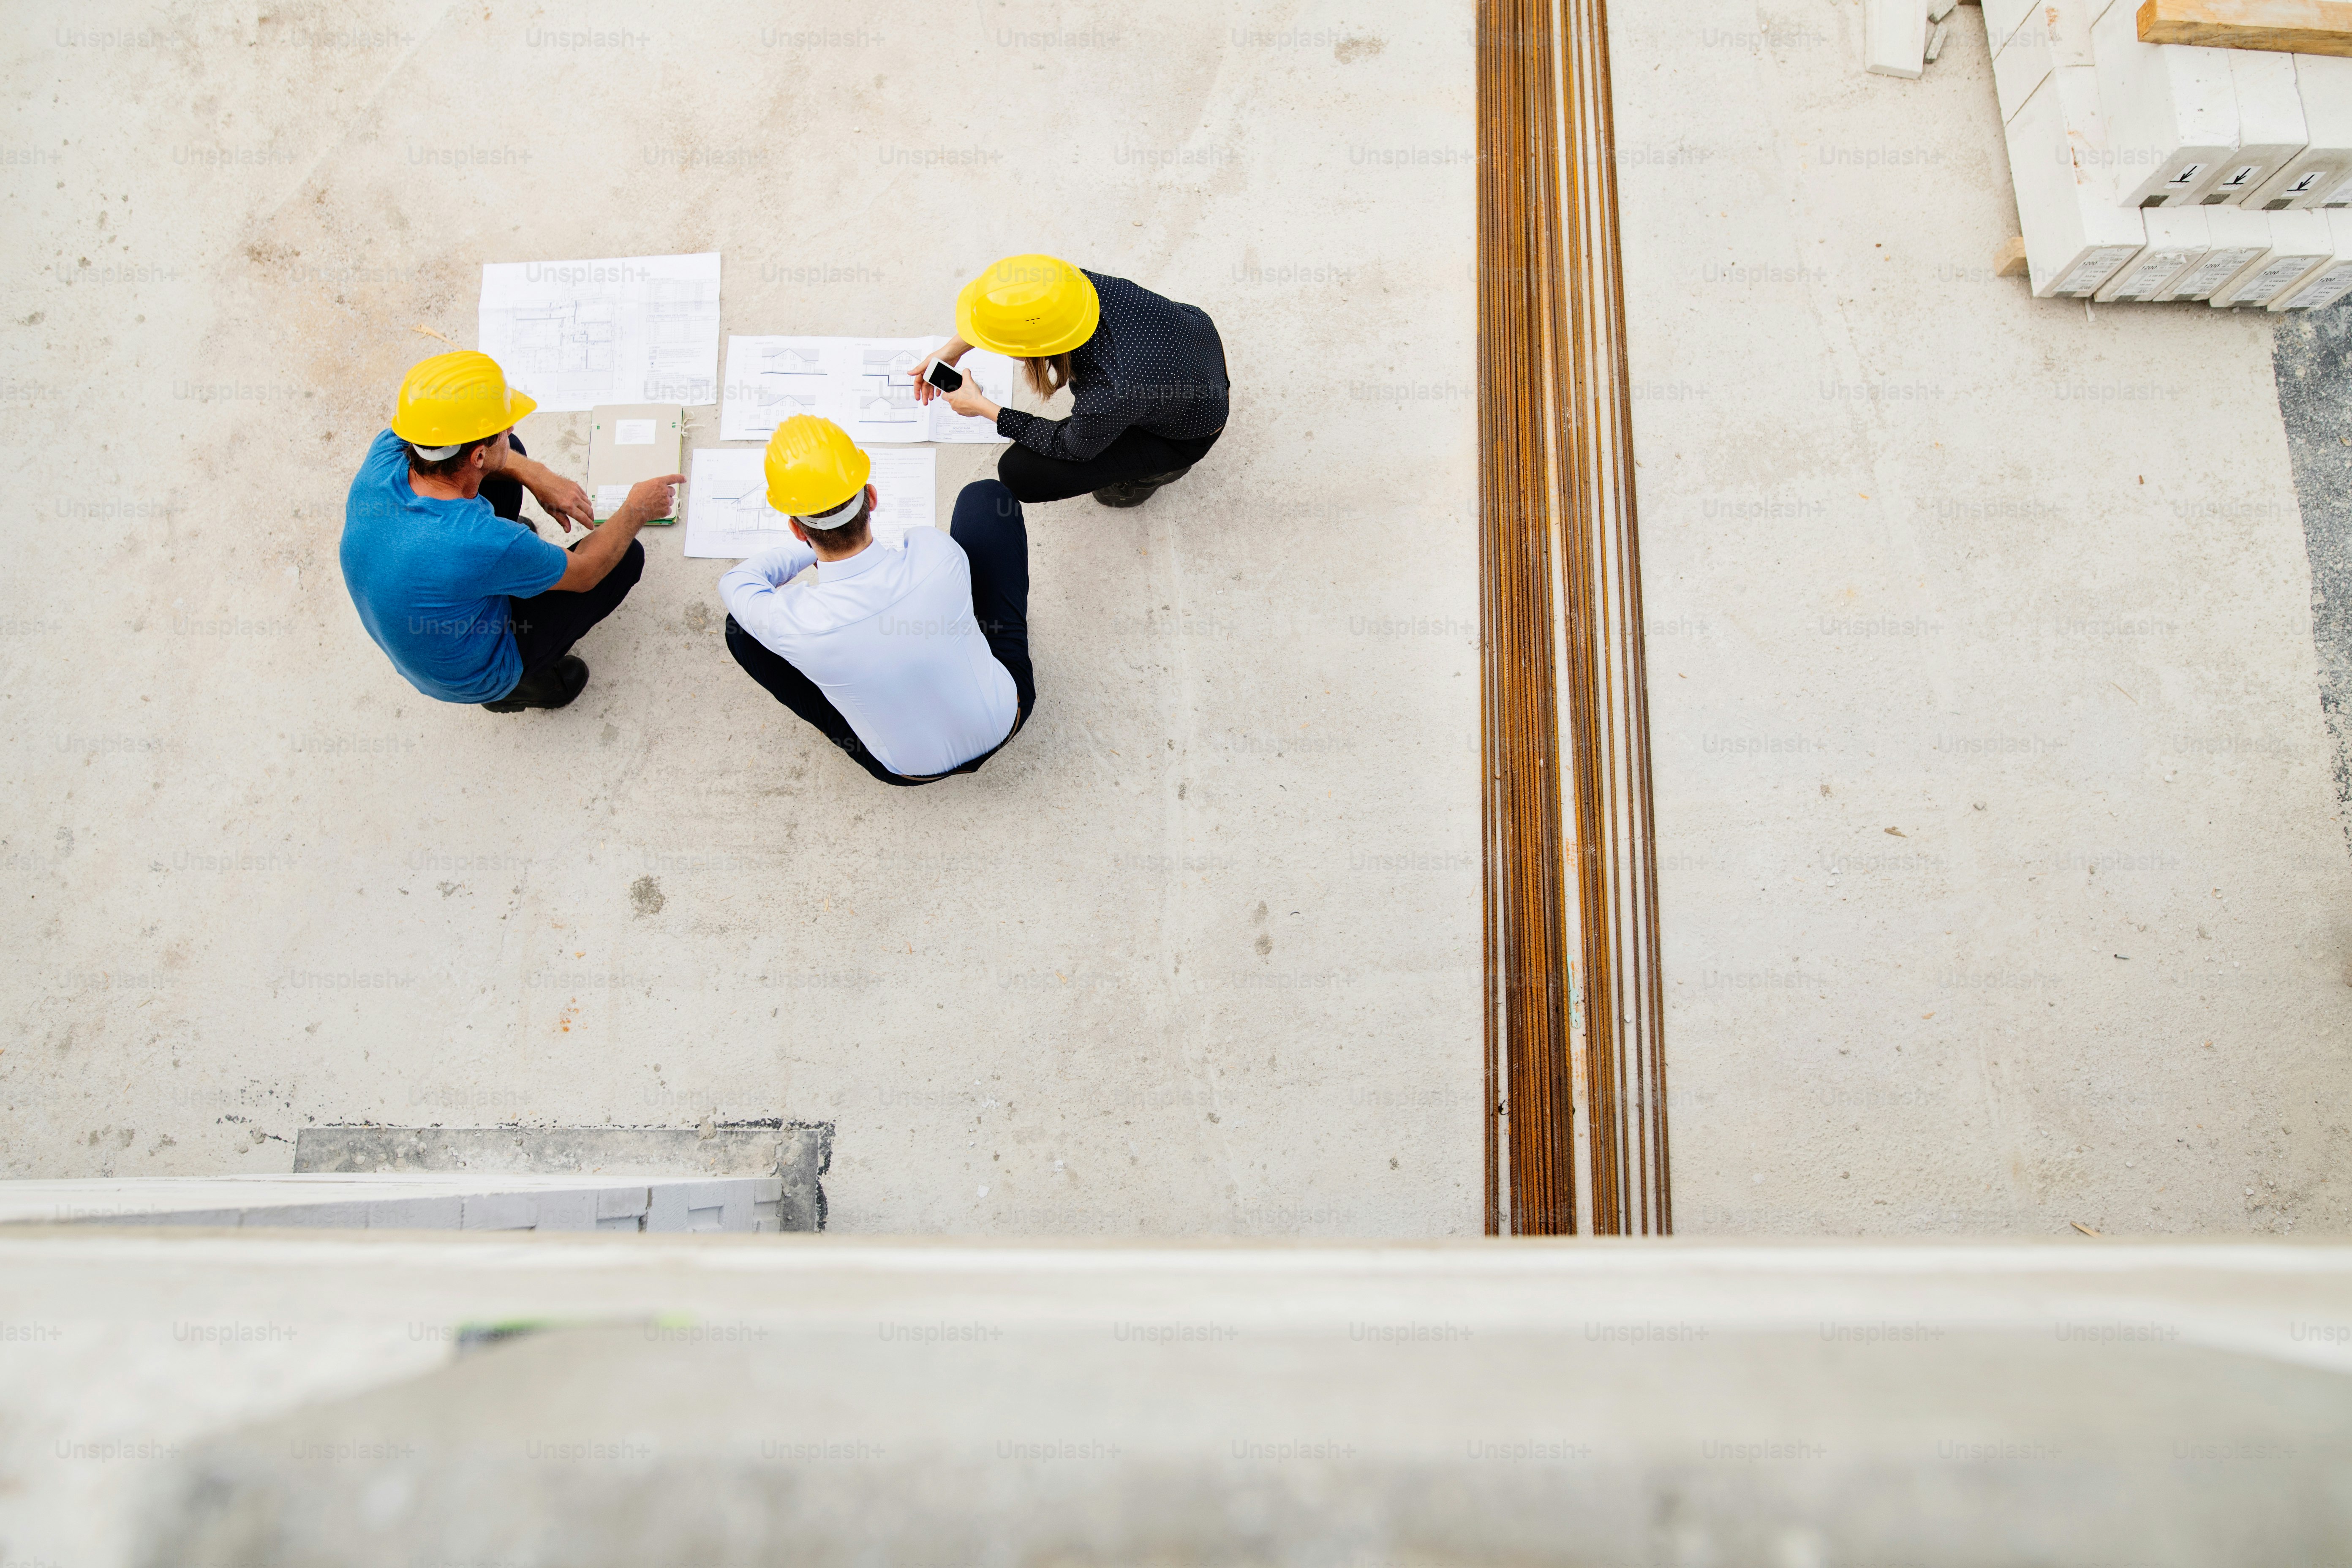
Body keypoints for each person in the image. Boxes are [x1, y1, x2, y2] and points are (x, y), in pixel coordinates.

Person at [340, 351, 678, 713]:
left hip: (414, 619)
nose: (511, 429)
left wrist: (537, 474)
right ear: (478, 457)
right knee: (623, 559)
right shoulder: (485, 541)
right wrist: (637, 509)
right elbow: (586, 573)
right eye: (504, 429)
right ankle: (514, 689)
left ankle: (489, 578)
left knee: (512, 458)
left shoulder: (389, 451)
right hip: (468, 675)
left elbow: (490, 459)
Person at [721, 416, 1033, 785]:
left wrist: (815, 542)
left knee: (738, 630)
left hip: (907, 771)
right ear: (871, 497)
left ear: (794, 528)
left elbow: (738, 582)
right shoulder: (934, 552)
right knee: (985, 498)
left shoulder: (792, 623)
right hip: (1006, 718)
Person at [913, 253, 1230, 509]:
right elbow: (1013, 311)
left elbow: (1072, 447)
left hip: (1186, 432)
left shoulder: (1110, 390)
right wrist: (950, 352)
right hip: (1196, 344)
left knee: (1020, 473)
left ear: (1030, 352)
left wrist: (983, 408)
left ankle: (1154, 473)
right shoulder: (1067, 285)